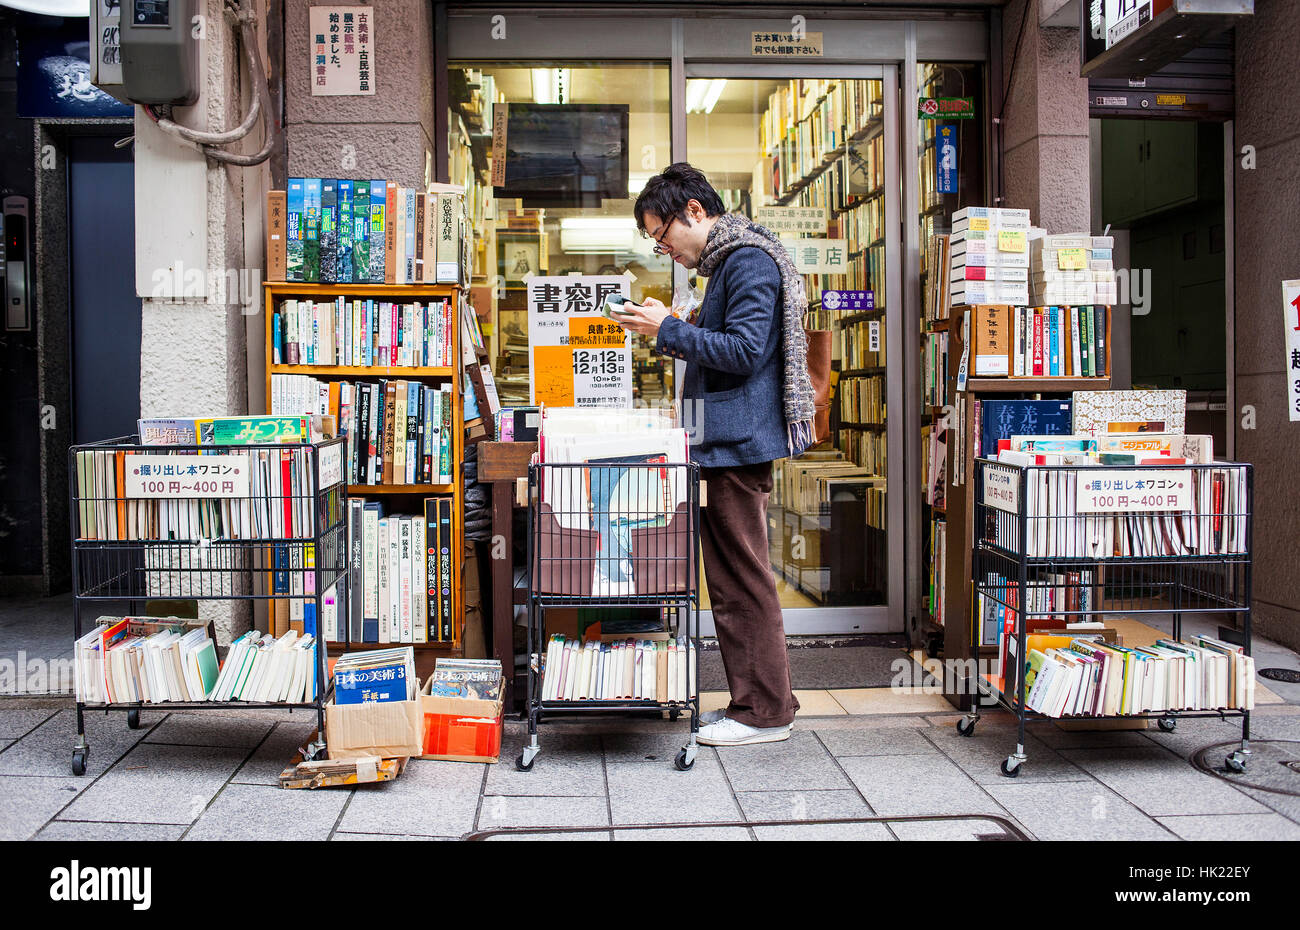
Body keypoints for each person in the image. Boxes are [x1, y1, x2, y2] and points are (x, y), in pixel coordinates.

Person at [615, 162, 818, 747]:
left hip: (735, 444)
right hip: (724, 441)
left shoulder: (746, 260)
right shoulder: (730, 261)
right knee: (733, 579)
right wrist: (674, 325)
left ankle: (764, 713)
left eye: (662, 235)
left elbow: (745, 350)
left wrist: (667, 330)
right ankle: (757, 702)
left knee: (742, 580)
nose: (663, 249)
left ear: (695, 212)